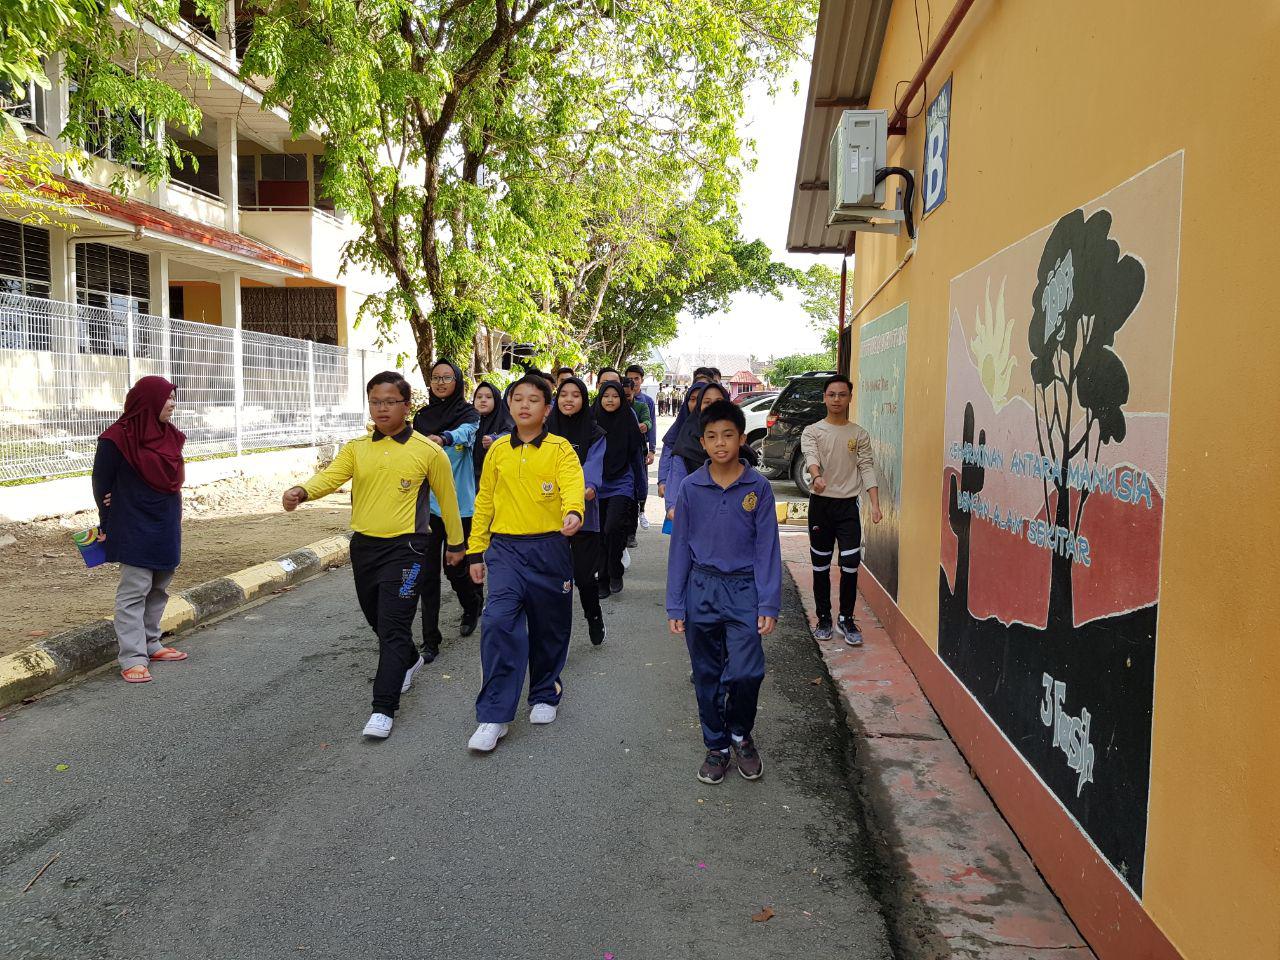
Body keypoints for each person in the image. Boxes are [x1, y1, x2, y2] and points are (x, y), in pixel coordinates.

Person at [283, 371, 465, 740]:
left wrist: (458, 545)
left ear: (406, 405)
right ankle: (410, 659)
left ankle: (383, 708)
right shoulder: (357, 448)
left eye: (390, 402)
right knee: (378, 621)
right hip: (365, 547)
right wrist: (303, 491)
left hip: (409, 549)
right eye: (375, 402)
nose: (382, 409)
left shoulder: (428, 452)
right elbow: (331, 477)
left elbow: (448, 501)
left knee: (394, 626)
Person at [466, 375, 585, 753]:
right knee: (498, 621)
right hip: (506, 550)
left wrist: (573, 511)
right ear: (509, 405)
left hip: (550, 547)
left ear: (546, 409)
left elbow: (572, 483)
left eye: (534, 400)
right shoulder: (499, 450)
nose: (524, 405)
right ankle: (494, 714)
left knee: (550, 625)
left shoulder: (560, 449)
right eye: (518, 398)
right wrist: (475, 550)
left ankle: (545, 692)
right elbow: (485, 500)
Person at [667, 399, 781, 784]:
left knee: (748, 671)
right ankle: (716, 745)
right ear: (702, 442)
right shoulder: (690, 488)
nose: (720, 443)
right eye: (712, 436)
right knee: (706, 672)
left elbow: (767, 547)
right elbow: (680, 548)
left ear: (741, 439)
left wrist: (768, 601)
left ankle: (740, 733)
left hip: (744, 588)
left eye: (728, 435)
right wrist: (675, 604)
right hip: (701, 587)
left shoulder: (758, 487)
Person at [92, 376, 188, 684]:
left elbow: (174, 478)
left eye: (173, 398)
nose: (173, 404)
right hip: (131, 520)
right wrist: (107, 520)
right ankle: (132, 656)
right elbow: (101, 483)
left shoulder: (169, 435)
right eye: (167, 398)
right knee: (135, 588)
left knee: (160, 584)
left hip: (165, 518)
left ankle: (151, 642)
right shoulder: (116, 438)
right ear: (148, 402)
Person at [799, 375, 882, 646]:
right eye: (832, 394)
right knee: (821, 565)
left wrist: (875, 504)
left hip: (848, 507)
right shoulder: (812, 431)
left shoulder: (858, 434)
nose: (837, 399)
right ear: (824, 398)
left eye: (842, 394)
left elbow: (866, 467)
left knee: (850, 563)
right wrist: (816, 476)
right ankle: (823, 618)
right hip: (821, 506)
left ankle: (846, 619)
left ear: (849, 398)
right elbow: (811, 457)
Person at [413, 360, 484, 658]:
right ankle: (431, 640)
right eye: (435, 377)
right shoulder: (421, 417)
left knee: (455, 569)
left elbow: (467, 433)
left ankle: (472, 604)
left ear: (457, 381)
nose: (440, 382)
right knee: (427, 575)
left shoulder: (469, 414)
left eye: (447, 377)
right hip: (428, 507)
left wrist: (443, 438)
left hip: (460, 506)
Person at [547, 376, 607, 644]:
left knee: (584, 577)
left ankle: (594, 616)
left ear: (584, 400)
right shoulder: (544, 430)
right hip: (548, 516)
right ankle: (557, 633)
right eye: (563, 394)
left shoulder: (595, 433)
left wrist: (586, 488)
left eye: (575, 395)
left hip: (584, 515)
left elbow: (592, 469)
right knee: (556, 579)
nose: (568, 399)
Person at [591, 380, 645, 598]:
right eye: (606, 396)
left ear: (621, 399)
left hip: (622, 481)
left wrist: (641, 491)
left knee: (613, 528)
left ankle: (615, 569)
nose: (610, 400)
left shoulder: (628, 419)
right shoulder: (591, 419)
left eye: (615, 396)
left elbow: (636, 456)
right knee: (599, 533)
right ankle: (602, 578)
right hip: (596, 482)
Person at [625, 364, 657, 534]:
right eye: (630, 378)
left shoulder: (647, 402)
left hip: (640, 449)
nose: (634, 381)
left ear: (642, 380)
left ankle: (641, 511)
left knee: (641, 481)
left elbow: (651, 424)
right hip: (622, 450)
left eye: (636, 378)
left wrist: (652, 449)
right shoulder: (617, 399)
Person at [472, 381, 514, 486]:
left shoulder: (504, 419)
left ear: (496, 400)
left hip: (495, 478)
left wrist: (494, 439)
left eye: (488, 397)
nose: (483, 400)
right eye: (479, 397)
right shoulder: (469, 420)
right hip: (470, 476)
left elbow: (510, 434)